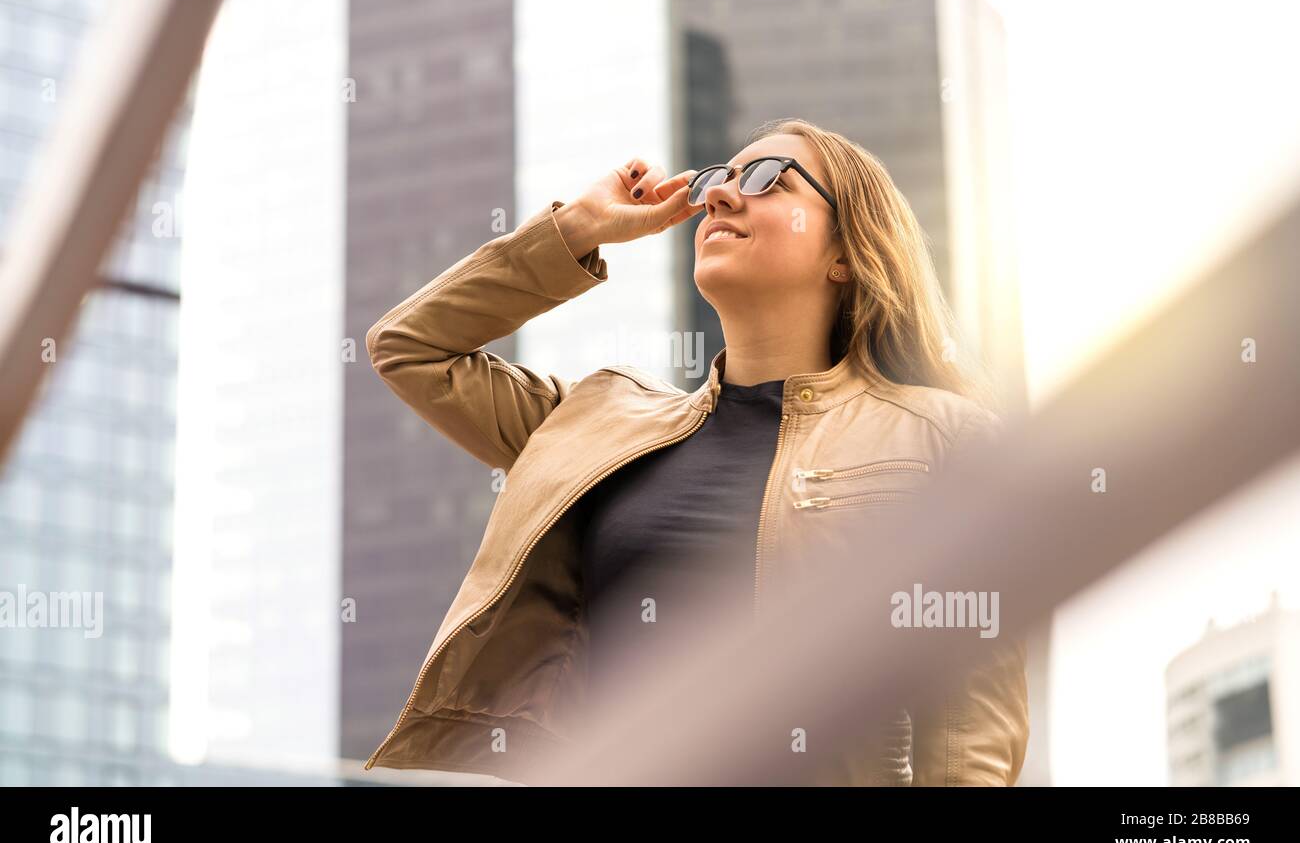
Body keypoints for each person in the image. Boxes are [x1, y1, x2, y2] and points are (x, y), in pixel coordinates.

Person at [363, 117, 1029, 786]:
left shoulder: (940, 440)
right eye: (717, 180)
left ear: (846, 255)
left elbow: (970, 731)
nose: (721, 196)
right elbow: (409, 346)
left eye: (771, 179)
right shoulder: (597, 424)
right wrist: (578, 230)